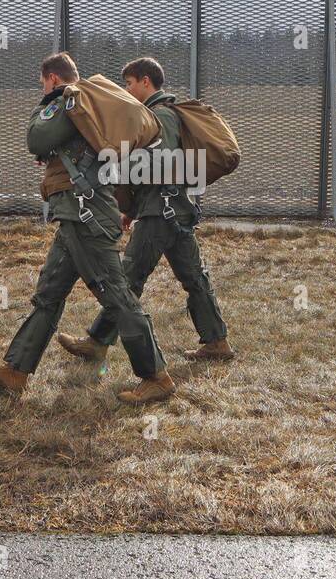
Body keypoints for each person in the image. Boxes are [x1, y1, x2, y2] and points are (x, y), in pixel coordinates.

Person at [0, 52, 176, 404]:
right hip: (77, 212)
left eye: (44, 83)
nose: (43, 88)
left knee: (116, 295)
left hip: (85, 214)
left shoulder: (69, 102)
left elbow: (36, 138)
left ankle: (156, 376)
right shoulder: (85, 107)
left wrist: (48, 102)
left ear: (53, 78)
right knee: (50, 292)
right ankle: (16, 370)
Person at [57, 57, 233, 366]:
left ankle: (98, 342)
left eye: (129, 84)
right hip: (173, 209)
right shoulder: (165, 113)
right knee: (194, 277)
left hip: (161, 212)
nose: (127, 90)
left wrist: (124, 168)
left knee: (128, 277)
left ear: (145, 82)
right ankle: (217, 341)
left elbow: (159, 164)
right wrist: (134, 209)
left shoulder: (159, 115)